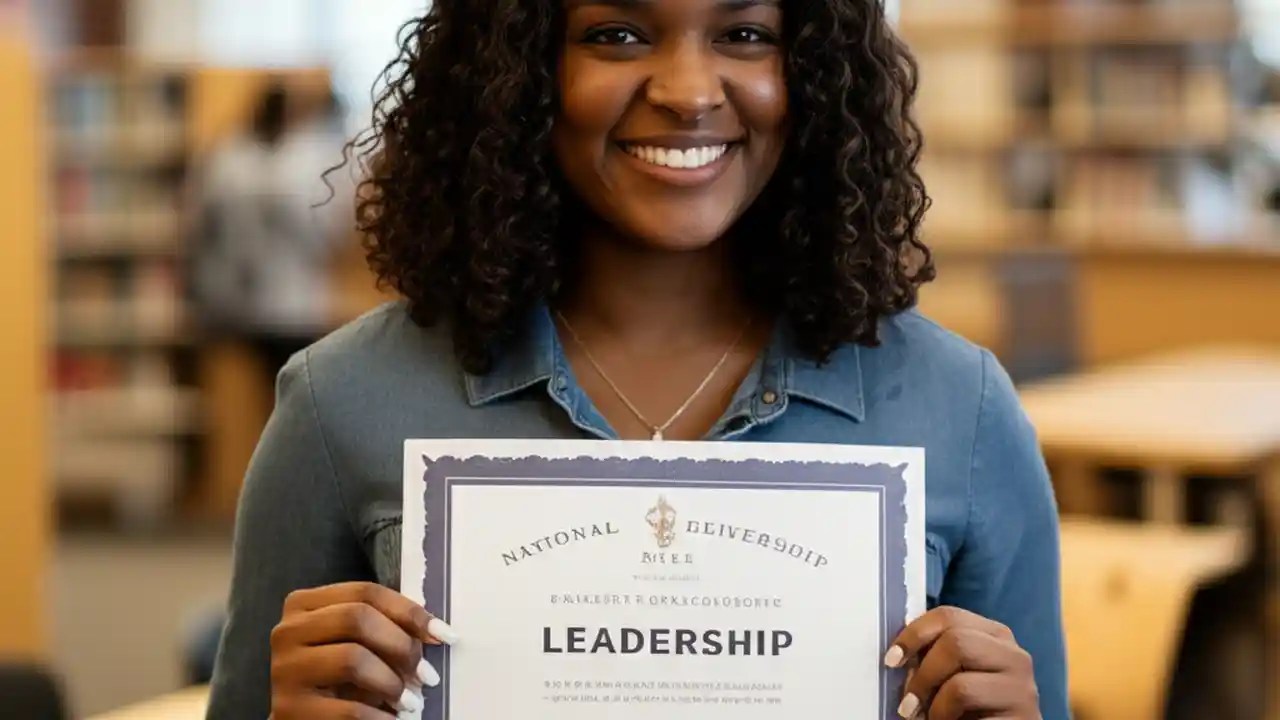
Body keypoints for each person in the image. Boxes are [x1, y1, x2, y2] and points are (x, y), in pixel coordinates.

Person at [207, 1, 1068, 718]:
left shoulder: (966, 410)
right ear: (518, 69)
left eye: (746, 33)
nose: (689, 92)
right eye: (616, 34)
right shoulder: (341, 401)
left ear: (815, 68)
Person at [189, 80, 351, 394]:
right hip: (288, 305)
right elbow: (315, 233)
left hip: (250, 301)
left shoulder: (232, 157)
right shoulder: (290, 162)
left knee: (278, 392)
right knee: (294, 392)